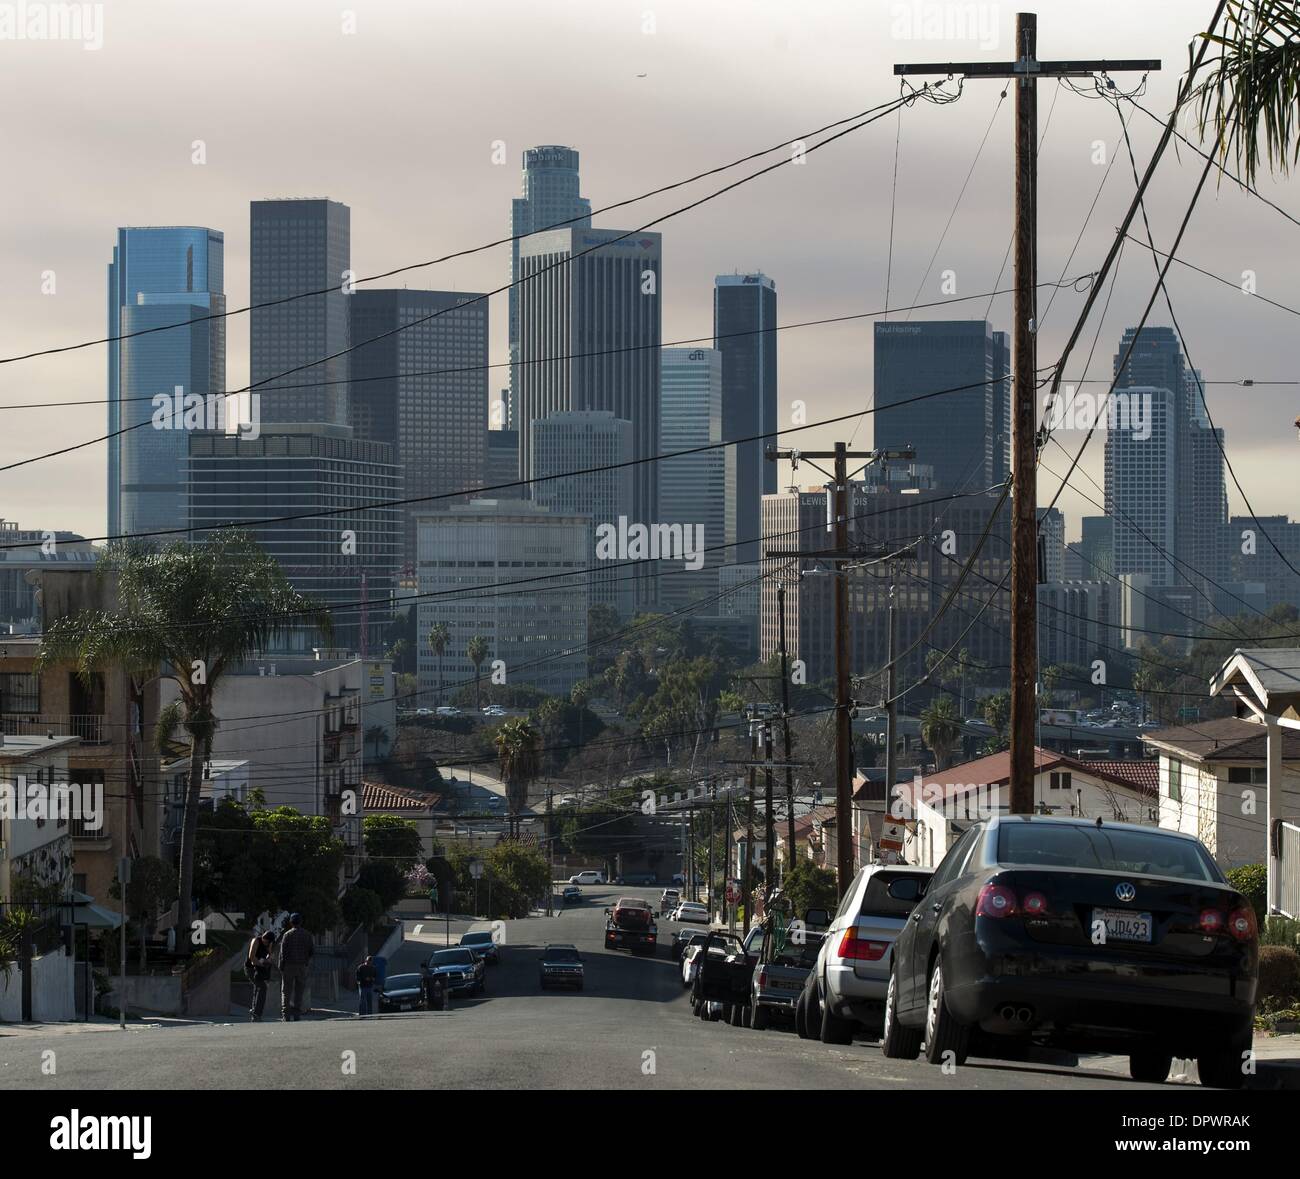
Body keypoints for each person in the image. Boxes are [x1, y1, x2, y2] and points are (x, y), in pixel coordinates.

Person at [276, 913, 314, 1021]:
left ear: (291, 922)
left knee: (286, 991)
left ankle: (286, 1014)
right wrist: (306, 960)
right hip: (302, 966)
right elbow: (312, 951)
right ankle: (297, 1014)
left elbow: (282, 952)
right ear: (301, 922)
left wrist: (281, 966)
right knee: (299, 991)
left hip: (289, 965)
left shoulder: (287, 935)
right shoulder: (307, 934)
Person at [246, 929, 276, 1022]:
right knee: (262, 987)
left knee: (257, 988)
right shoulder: (256, 940)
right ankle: (257, 1013)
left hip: (259, 968)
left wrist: (269, 956)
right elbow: (251, 957)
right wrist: (261, 964)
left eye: (269, 942)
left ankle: (255, 1013)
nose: (266, 943)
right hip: (251, 968)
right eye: (266, 941)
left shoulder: (268, 944)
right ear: (264, 938)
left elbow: (270, 957)